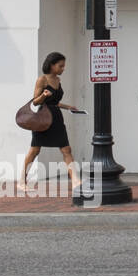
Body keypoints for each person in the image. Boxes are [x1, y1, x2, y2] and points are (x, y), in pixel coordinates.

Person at [20, 51, 82, 192]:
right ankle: (22, 181)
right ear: (52, 65)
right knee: (35, 150)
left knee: (66, 149)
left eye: (63, 66)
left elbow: (55, 102)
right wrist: (43, 95)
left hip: (56, 118)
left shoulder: (58, 80)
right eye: (60, 66)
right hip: (42, 119)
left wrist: (68, 107)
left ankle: (75, 181)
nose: (63, 69)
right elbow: (35, 102)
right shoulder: (42, 80)